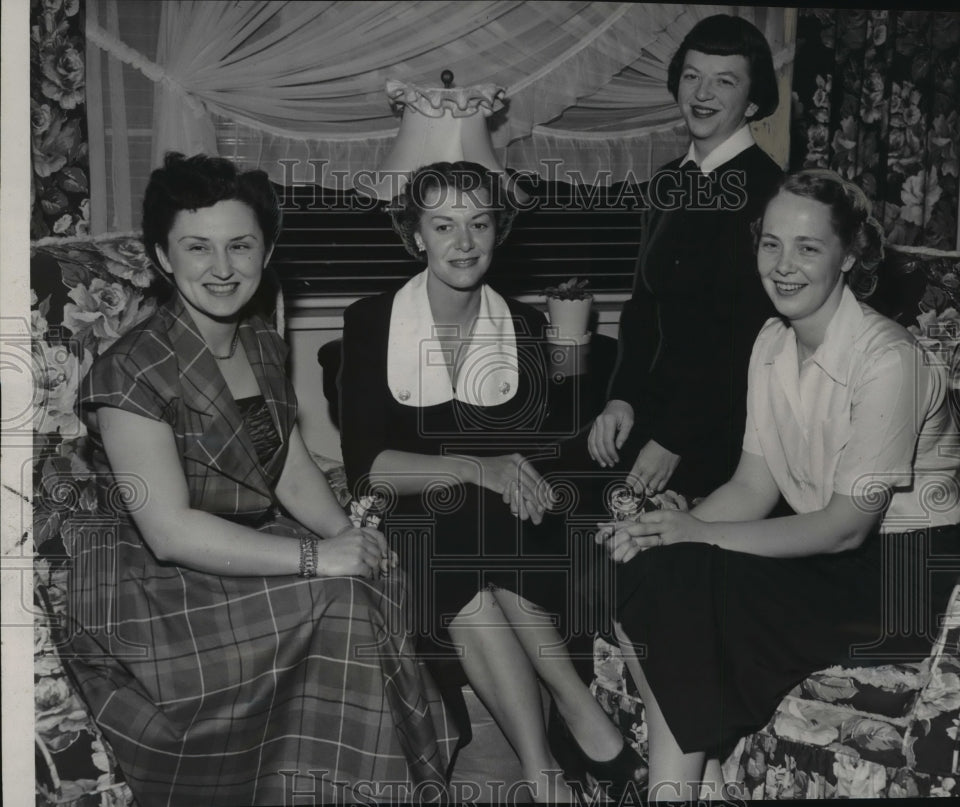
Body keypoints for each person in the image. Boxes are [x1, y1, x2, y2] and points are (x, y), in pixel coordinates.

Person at [64, 153, 457, 806]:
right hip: (154, 588)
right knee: (338, 597)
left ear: (266, 249)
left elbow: (288, 466)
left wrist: (352, 539)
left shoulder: (262, 343)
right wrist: (317, 556)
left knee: (375, 577)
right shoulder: (129, 369)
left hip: (242, 545)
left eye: (240, 245)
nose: (222, 268)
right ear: (164, 256)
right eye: (197, 247)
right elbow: (168, 530)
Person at [599, 169, 960, 800]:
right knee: (640, 563)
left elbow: (845, 527)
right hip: (823, 553)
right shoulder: (771, 343)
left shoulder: (890, 359)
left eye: (808, 247)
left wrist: (695, 533)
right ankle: (698, 781)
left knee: (682, 579)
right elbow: (751, 486)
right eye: (771, 244)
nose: (783, 265)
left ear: (850, 255)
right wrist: (663, 530)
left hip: (902, 575)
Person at [339, 161, 644, 802]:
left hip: (498, 526)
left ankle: (548, 756)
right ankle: (564, 722)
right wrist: (478, 467)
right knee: (451, 519)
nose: (465, 242)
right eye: (444, 225)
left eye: (479, 223)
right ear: (415, 235)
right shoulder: (371, 322)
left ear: (498, 230)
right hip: (411, 509)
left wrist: (599, 396)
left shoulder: (528, 328)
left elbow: (551, 448)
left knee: (485, 522)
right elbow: (371, 468)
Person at [586, 14, 785, 500]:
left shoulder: (768, 190)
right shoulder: (669, 180)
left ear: (752, 100)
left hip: (724, 428)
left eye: (725, 81)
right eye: (692, 76)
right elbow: (642, 306)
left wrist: (674, 438)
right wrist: (620, 398)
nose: (702, 93)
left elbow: (743, 337)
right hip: (654, 411)